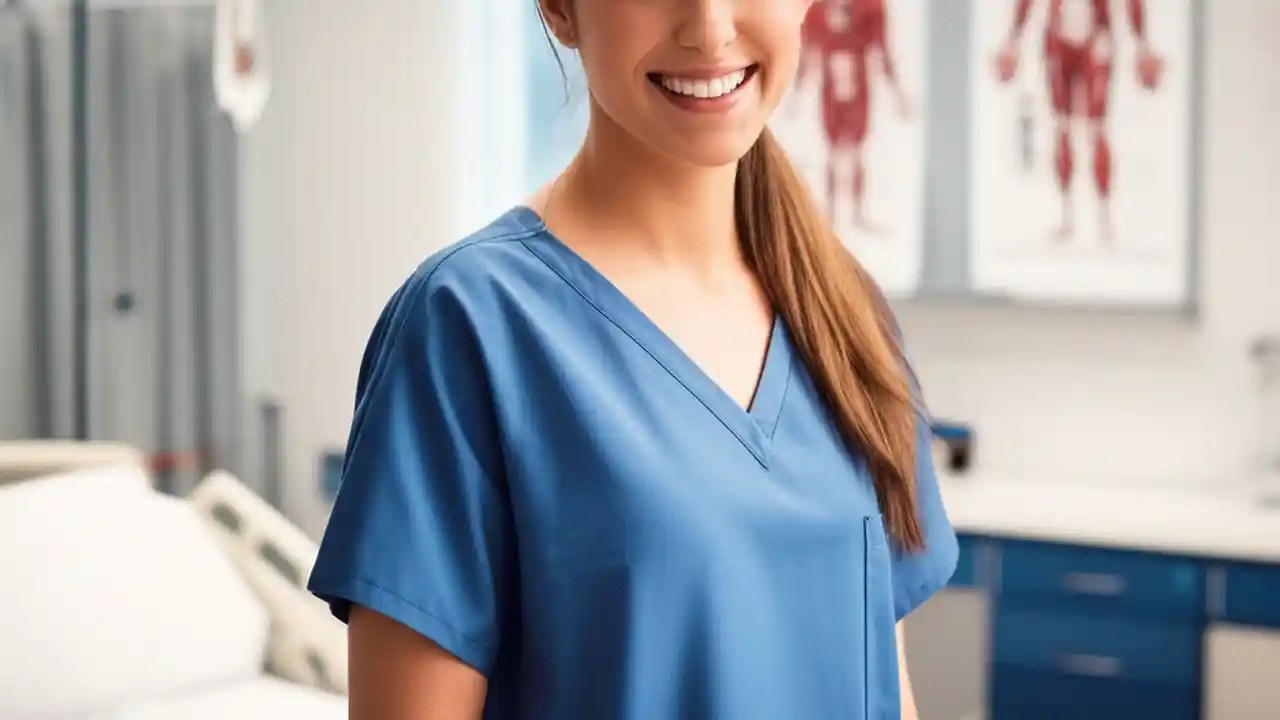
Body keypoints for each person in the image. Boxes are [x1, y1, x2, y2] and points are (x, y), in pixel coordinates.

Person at [306, 0, 958, 717]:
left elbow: (889, 693)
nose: (709, 27)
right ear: (559, 10)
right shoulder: (470, 328)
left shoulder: (846, 316)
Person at [994, 0, 1164, 242]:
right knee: (1062, 126)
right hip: (1059, 37)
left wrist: (1142, 43)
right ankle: (1067, 215)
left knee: (1097, 127)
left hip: (1096, 35)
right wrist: (1013, 38)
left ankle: (1103, 215)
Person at [798, 0, 913, 232]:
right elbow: (809, 52)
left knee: (856, 152)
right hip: (831, 88)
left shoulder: (869, 9)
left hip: (858, 87)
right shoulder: (817, 12)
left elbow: (882, 52)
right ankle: (831, 212)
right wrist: (795, 94)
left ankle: (856, 213)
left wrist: (897, 94)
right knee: (833, 152)